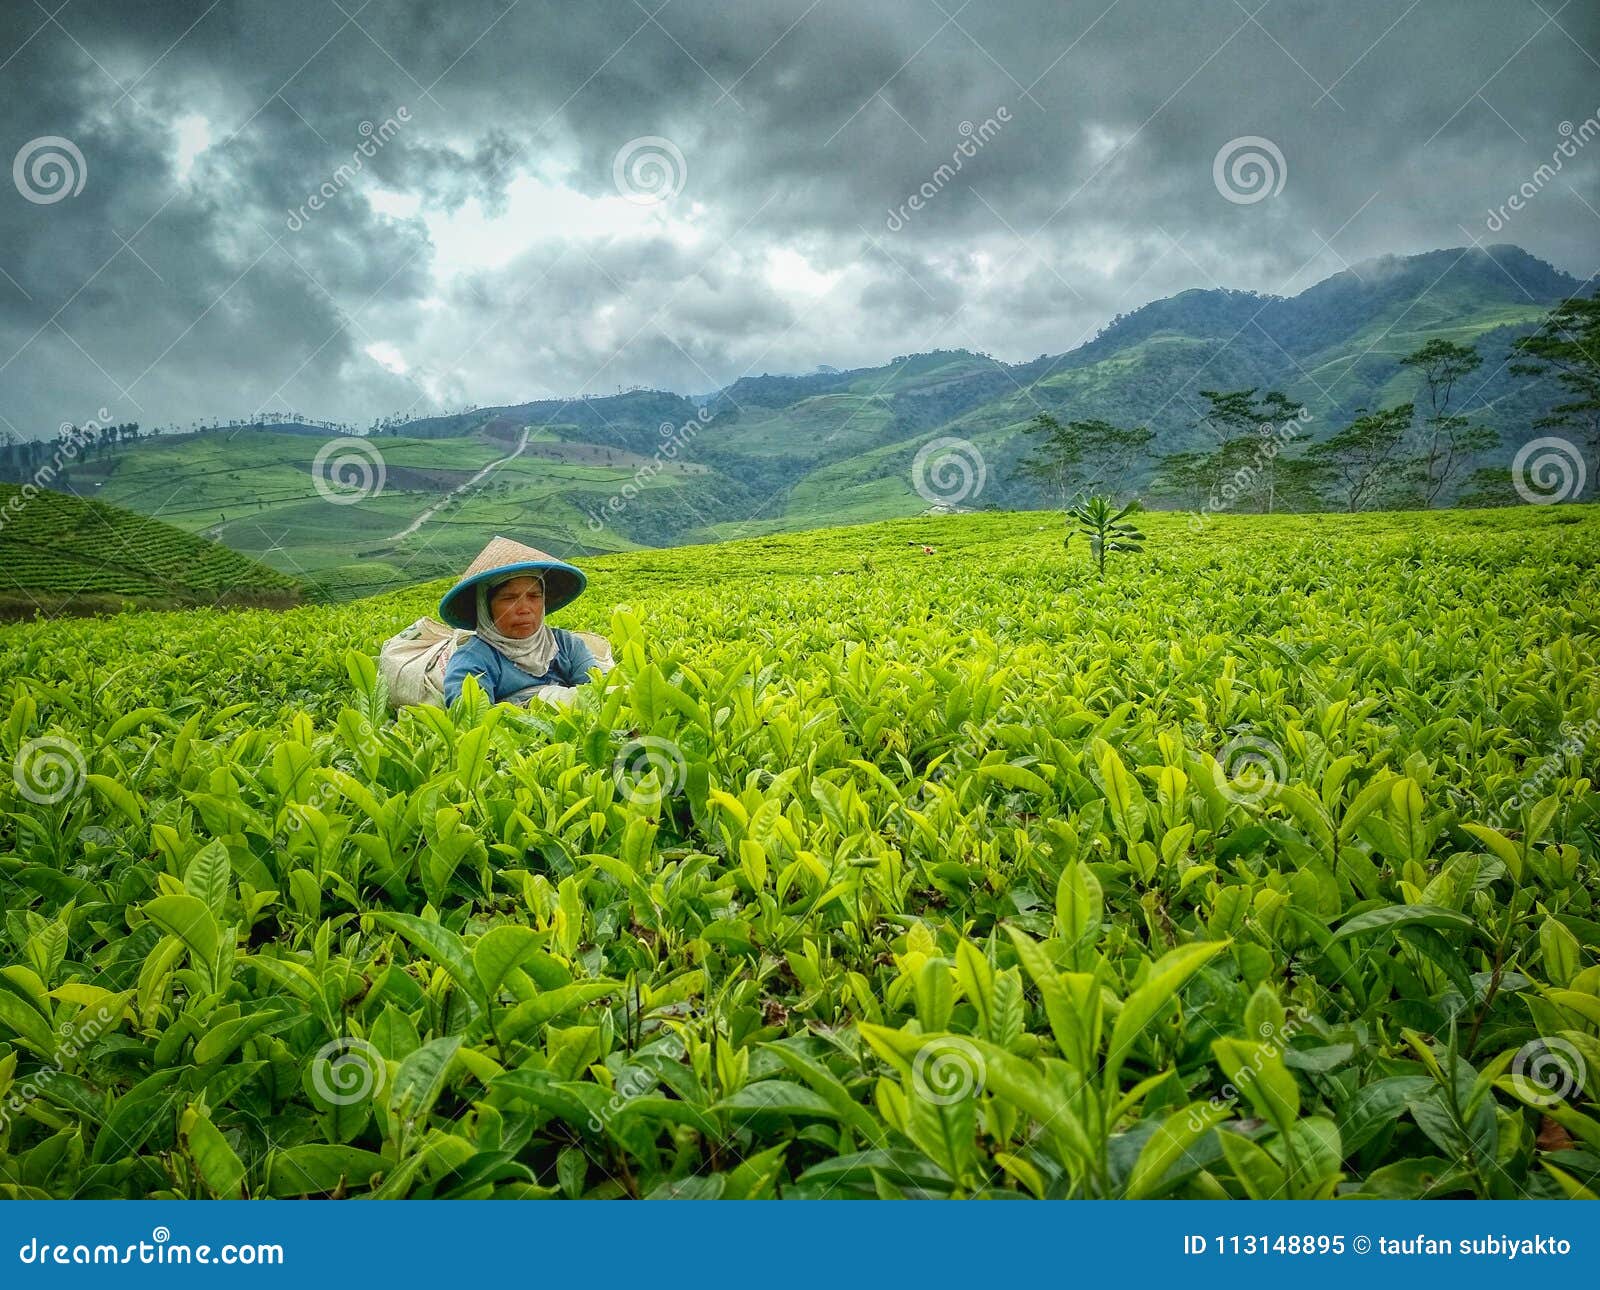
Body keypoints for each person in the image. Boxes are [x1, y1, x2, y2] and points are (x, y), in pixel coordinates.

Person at [438, 535, 601, 706]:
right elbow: (470, 716)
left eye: (534, 596)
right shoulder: (473, 659)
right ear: (485, 607)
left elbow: (599, 693)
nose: (524, 609)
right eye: (509, 598)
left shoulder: (567, 645)